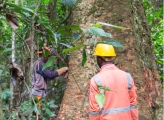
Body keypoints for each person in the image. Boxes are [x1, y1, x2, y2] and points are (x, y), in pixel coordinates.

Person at [89, 43, 138, 120]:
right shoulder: (127, 76)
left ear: (99, 59)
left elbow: (95, 110)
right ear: (112, 58)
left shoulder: (96, 80)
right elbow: (133, 104)